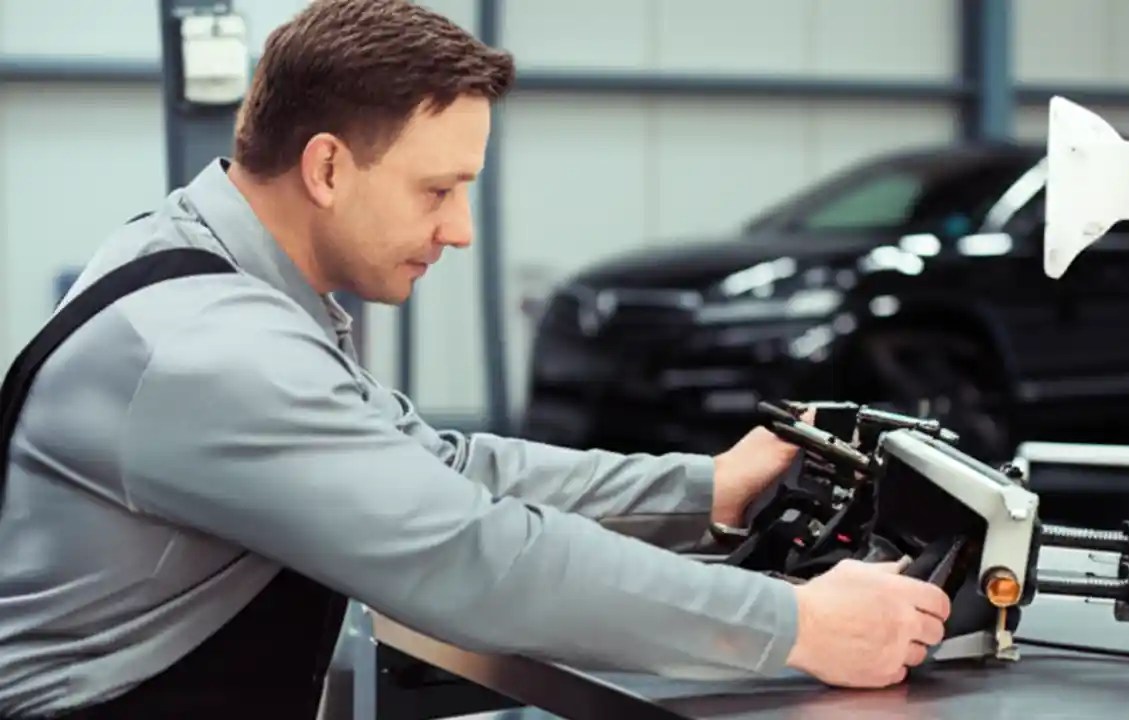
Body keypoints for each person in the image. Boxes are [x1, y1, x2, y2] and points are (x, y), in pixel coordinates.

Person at [0, 0, 950, 717]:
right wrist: (799, 627)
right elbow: (477, 559)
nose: (460, 230)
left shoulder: (209, 269)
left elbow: (442, 470)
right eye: (437, 190)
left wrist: (706, 491)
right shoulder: (212, 352)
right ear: (327, 168)